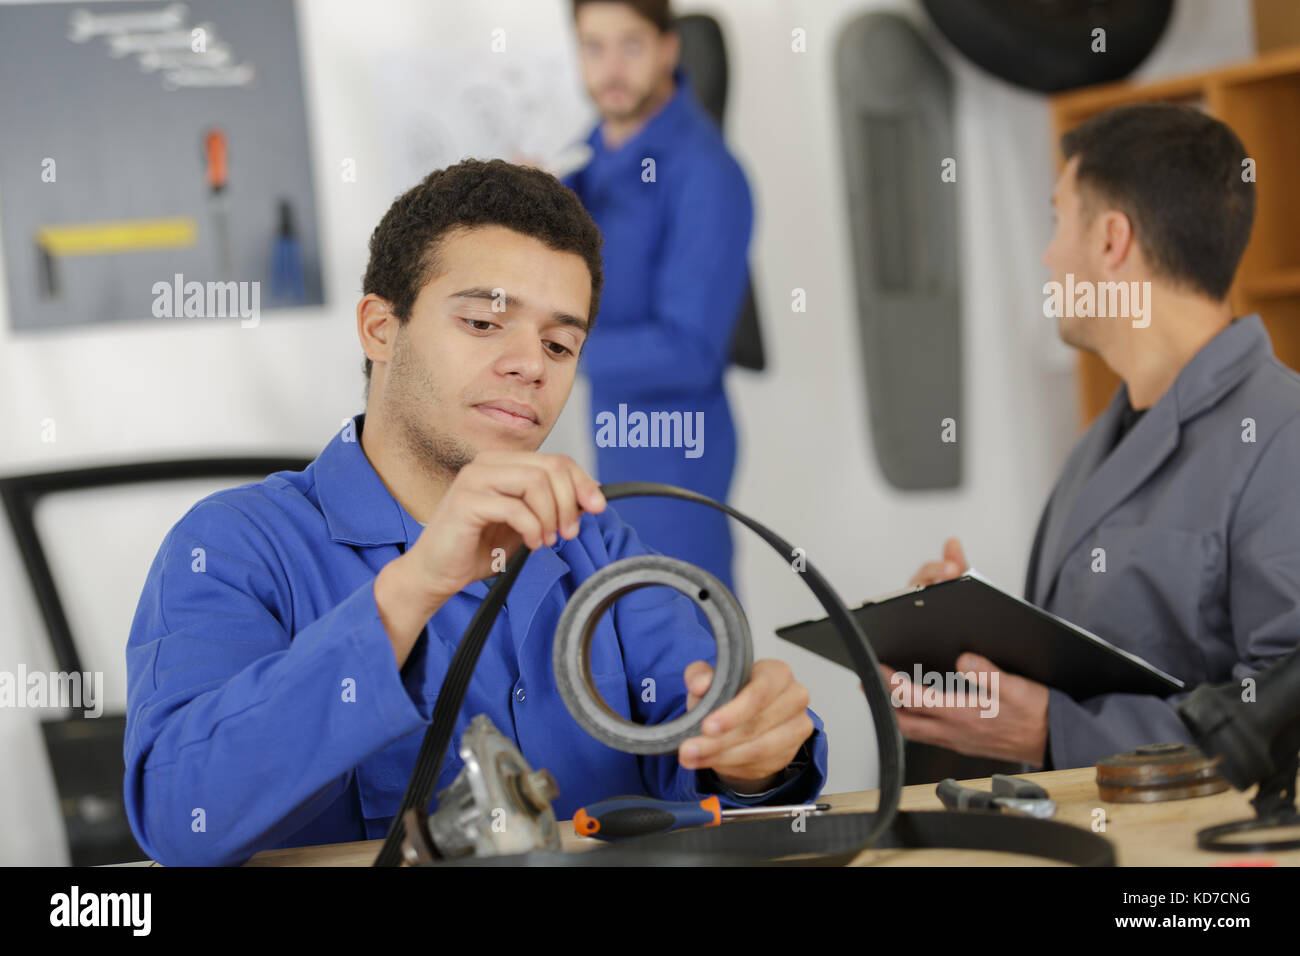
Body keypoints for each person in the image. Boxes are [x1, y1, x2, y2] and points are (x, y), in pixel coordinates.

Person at [124, 159, 826, 867]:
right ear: (380, 329)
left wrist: (752, 760)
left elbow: (702, 760)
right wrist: (414, 585)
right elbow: (182, 816)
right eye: (486, 320)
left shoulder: (599, 544)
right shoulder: (234, 546)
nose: (531, 365)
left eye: (560, 343)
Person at [899, 103, 1300, 771]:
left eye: (1058, 222)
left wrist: (1056, 734)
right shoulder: (1097, 447)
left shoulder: (1283, 437)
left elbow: (1285, 721)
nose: (1049, 257)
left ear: (1112, 240)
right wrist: (972, 640)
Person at [561, 0, 752, 595]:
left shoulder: (706, 173)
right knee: (619, 637)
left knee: (690, 641)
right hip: (607, 441)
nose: (610, 68)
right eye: (594, 47)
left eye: (631, 46)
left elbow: (690, 349)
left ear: (669, 48)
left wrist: (555, 349)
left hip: (674, 449)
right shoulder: (583, 165)